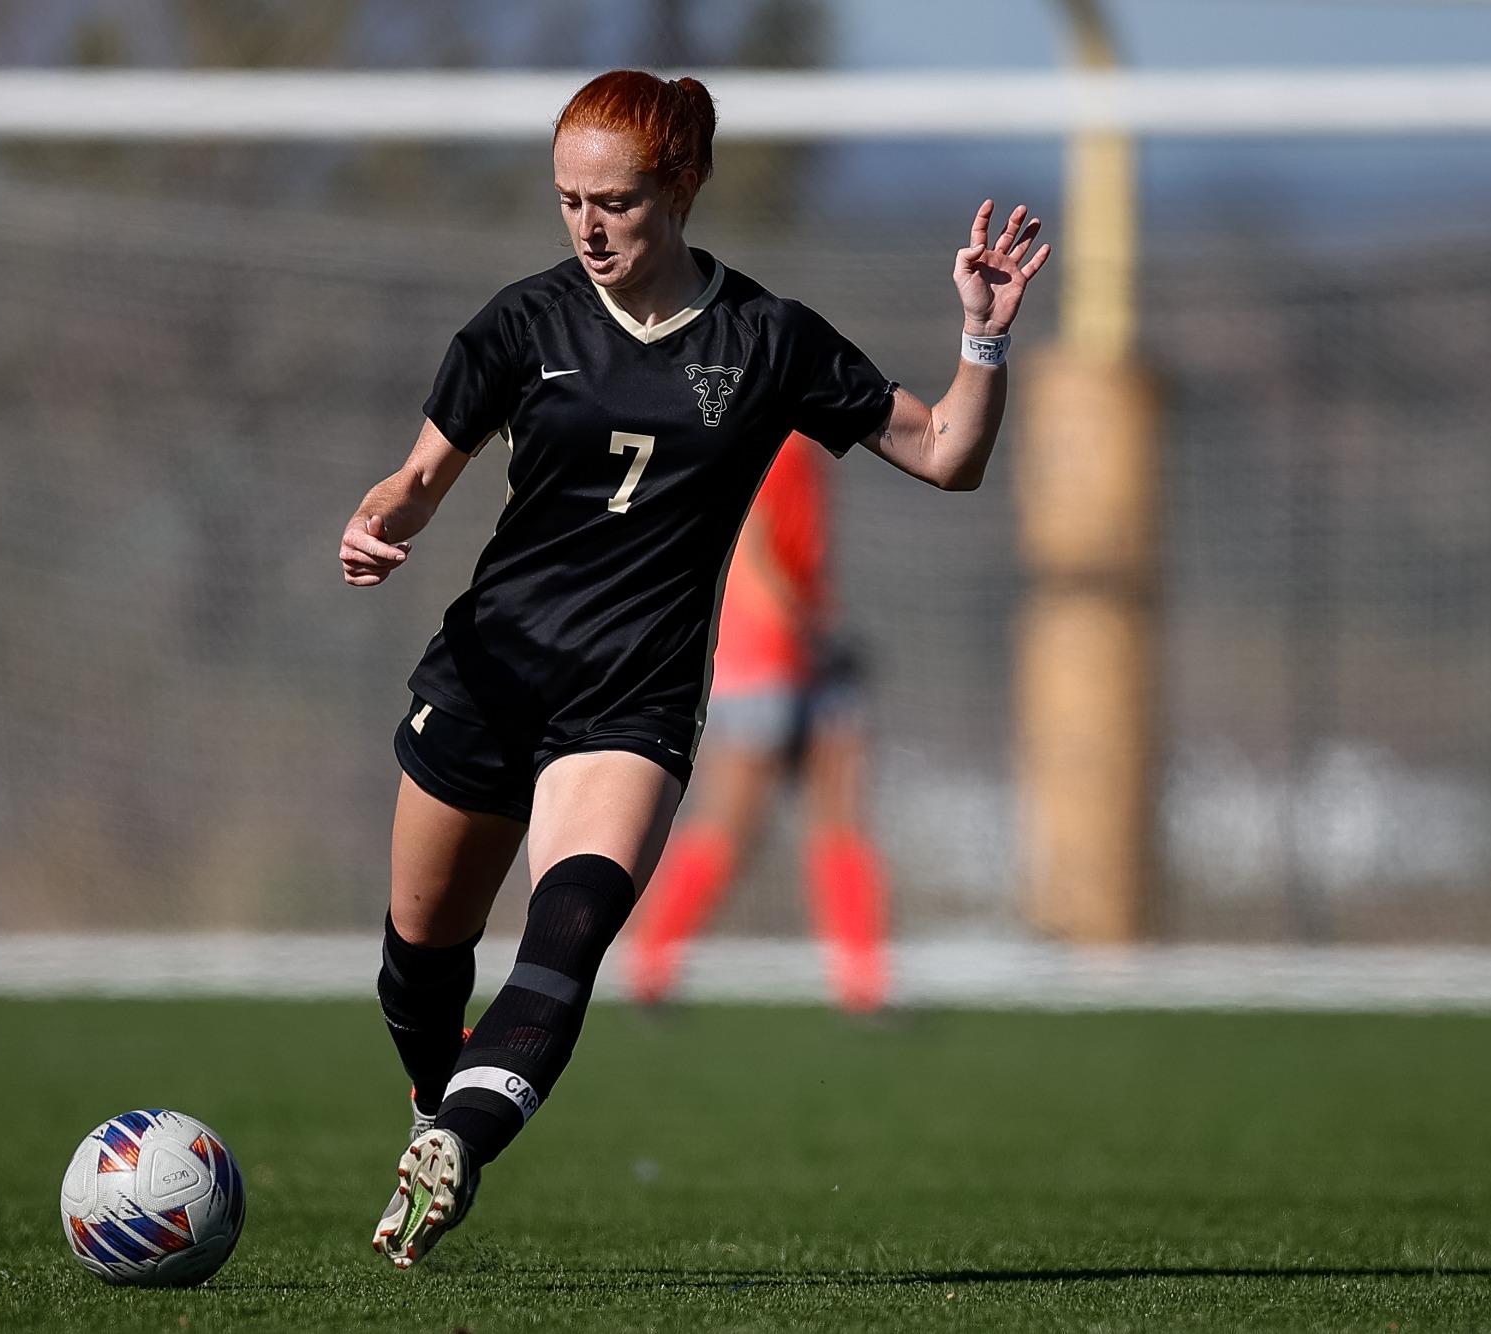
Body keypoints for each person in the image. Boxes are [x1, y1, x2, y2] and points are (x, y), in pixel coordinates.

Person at [337, 69, 1048, 1269]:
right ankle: (432, 1099)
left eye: (610, 200)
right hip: (484, 676)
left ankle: (456, 1137)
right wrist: (381, 520)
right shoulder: (521, 322)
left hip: (633, 697)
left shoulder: (766, 339)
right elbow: (414, 476)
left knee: (571, 923)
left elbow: (945, 456)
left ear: (680, 188)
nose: (586, 226)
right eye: (566, 200)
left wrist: (982, 335)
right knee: (418, 963)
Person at [628, 431, 893, 1013]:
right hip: (763, 658)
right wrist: (809, 632)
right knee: (731, 824)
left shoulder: (809, 443)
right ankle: (649, 965)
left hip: (807, 657)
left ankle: (864, 982)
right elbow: (753, 549)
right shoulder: (773, 439)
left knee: (841, 812)